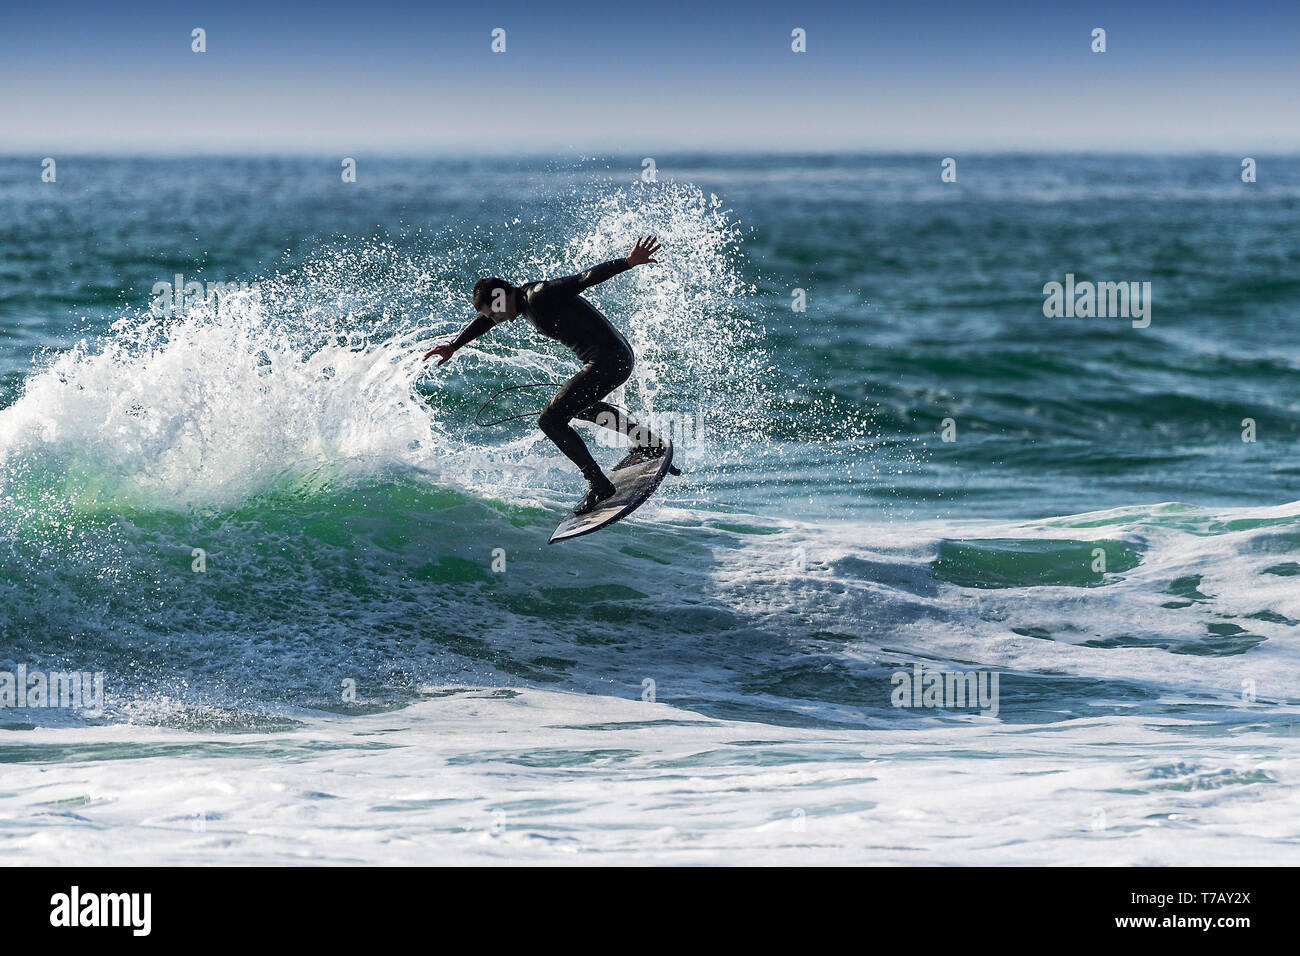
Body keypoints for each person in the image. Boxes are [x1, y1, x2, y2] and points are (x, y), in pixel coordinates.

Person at [425, 236, 670, 515]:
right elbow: (484, 321)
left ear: (499, 298)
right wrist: (454, 345)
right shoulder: (521, 303)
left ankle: (599, 484)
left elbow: (583, 279)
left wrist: (627, 262)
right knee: (583, 408)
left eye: (492, 314)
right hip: (613, 358)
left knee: (550, 420)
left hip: (609, 361)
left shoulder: (538, 295)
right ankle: (646, 441)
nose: (493, 321)